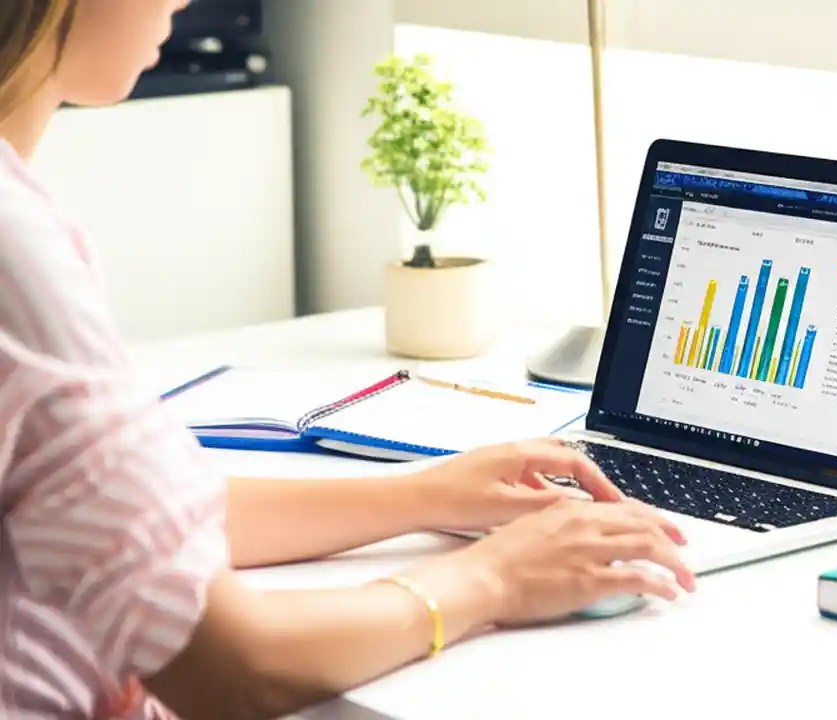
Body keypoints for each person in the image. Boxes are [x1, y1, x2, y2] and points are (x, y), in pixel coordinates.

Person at [0, 1, 696, 718]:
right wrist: (494, 579)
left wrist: (425, 494)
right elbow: (238, 667)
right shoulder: (17, 252)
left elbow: (134, 520)